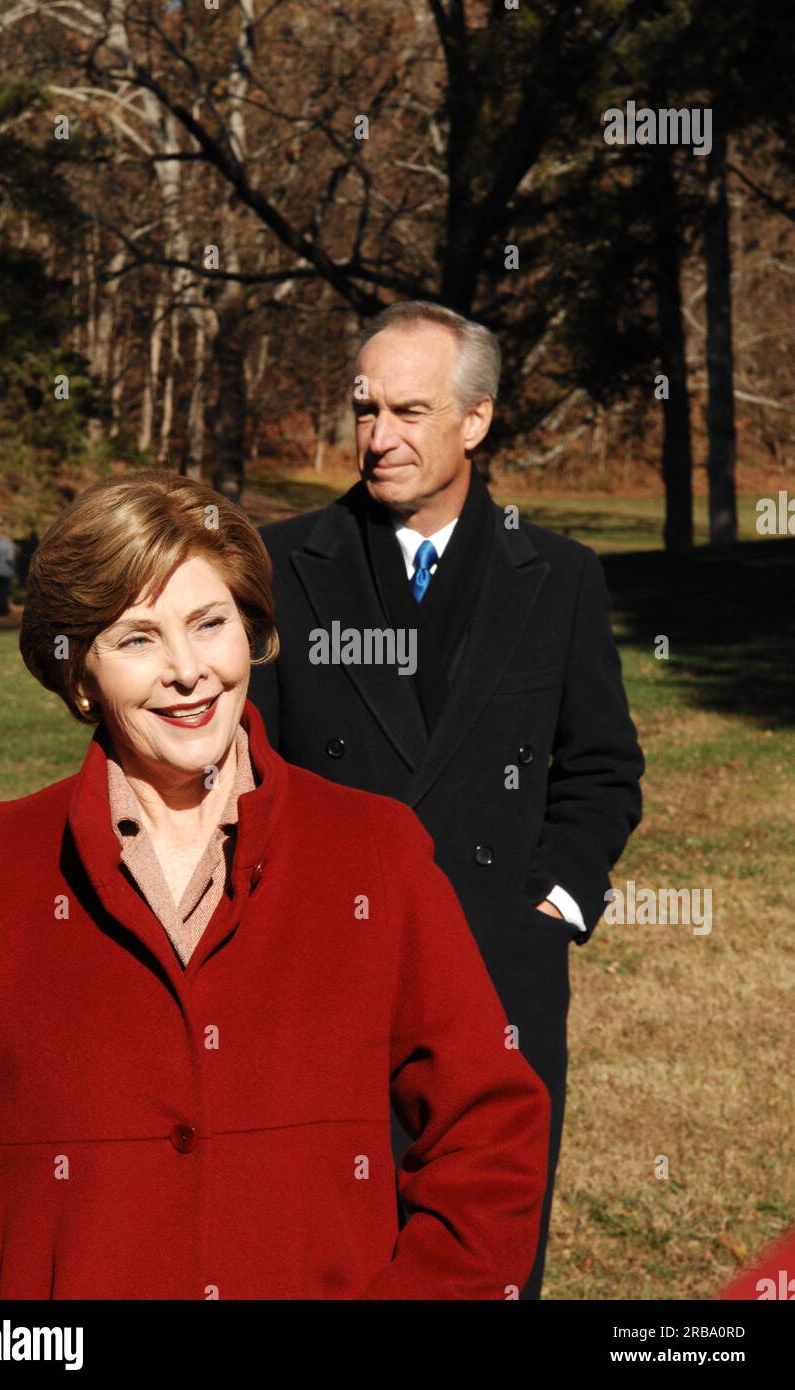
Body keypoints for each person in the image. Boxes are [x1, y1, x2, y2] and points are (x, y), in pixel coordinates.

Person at [0, 469, 550, 1301]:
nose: (187, 671)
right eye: (137, 638)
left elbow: (490, 1131)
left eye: (209, 623)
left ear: (252, 632)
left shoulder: (374, 851)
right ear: (79, 676)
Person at [248, 300, 645, 1299]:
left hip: (495, 980)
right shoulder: (276, 564)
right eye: (364, 408)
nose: (377, 438)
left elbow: (600, 766)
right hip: (318, 979)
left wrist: (549, 906)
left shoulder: (557, 576)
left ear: (475, 422)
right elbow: (242, 767)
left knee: (488, 1258)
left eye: (409, 411)